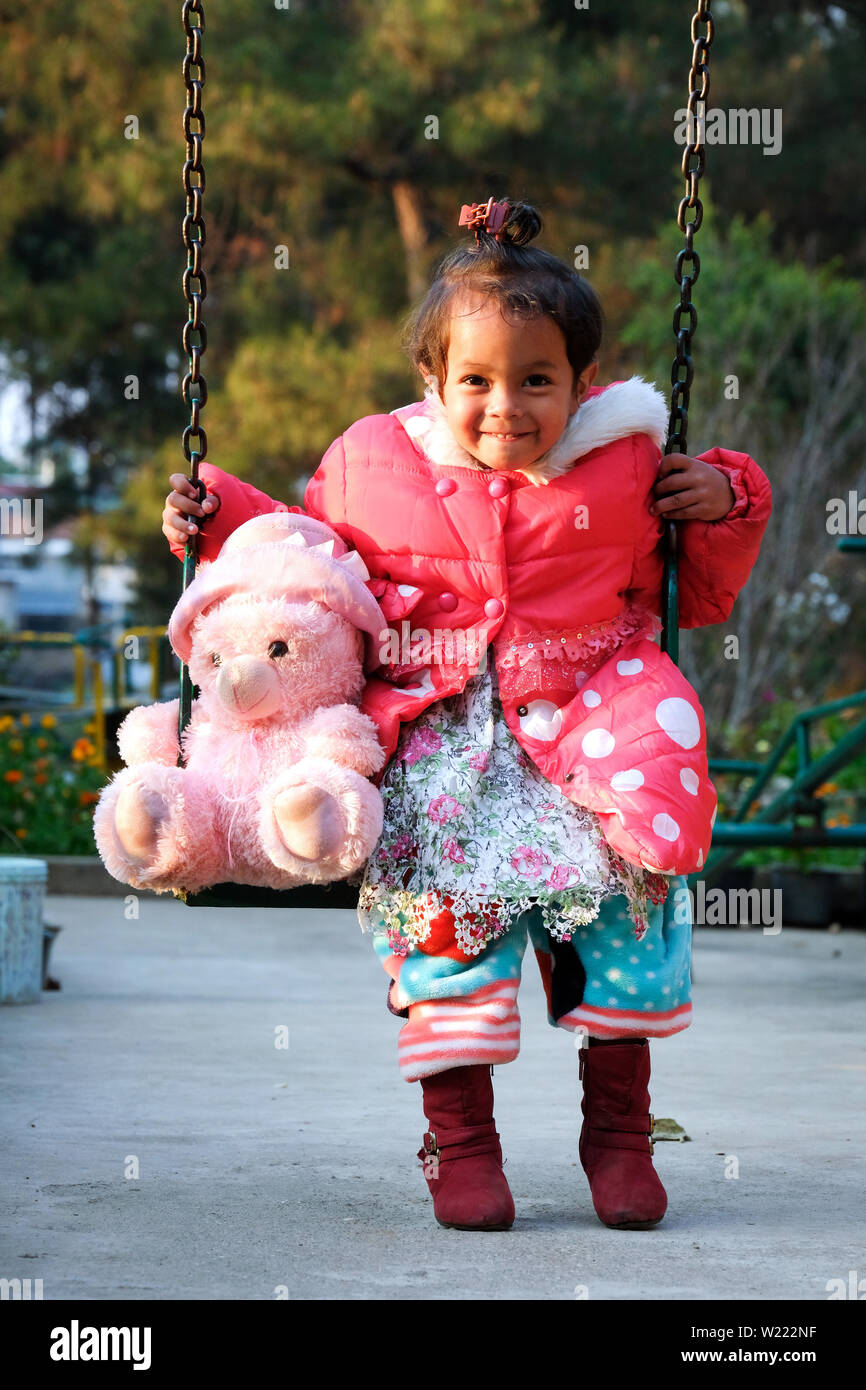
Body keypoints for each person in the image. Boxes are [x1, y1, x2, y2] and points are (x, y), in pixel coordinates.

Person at [162, 197, 772, 1233]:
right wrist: (214, 510)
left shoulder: (624, 468)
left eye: (536, 379)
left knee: (625, 913)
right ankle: (461, 1140)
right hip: (443, 736)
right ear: (433, 382)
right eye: (476, 381)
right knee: (443, 925)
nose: (504, 406)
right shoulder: (370, 465)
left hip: (591, 721)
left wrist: (724, 498)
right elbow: (307, 549)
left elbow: (698, 592)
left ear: (580, 382)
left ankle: (618, 1132)